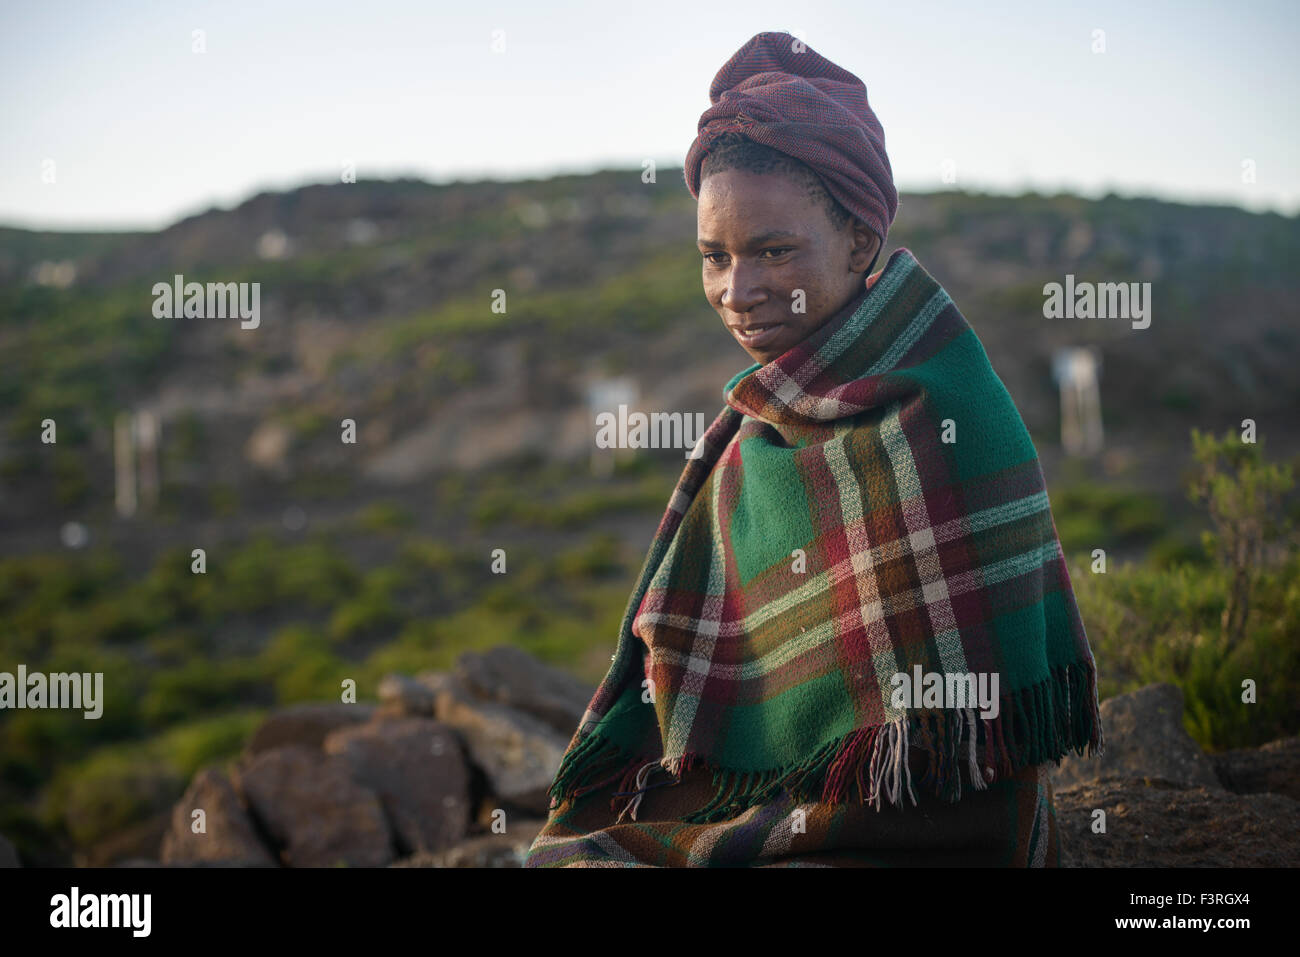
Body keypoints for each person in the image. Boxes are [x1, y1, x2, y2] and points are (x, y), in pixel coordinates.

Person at [522, 31, 1103, 868]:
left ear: (860, 242)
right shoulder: (756, 427)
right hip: (787, 802)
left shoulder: (944, 413)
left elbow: (960, 743)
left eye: (773, 251)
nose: (737, 291)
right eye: (712, 257)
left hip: (935, 827)